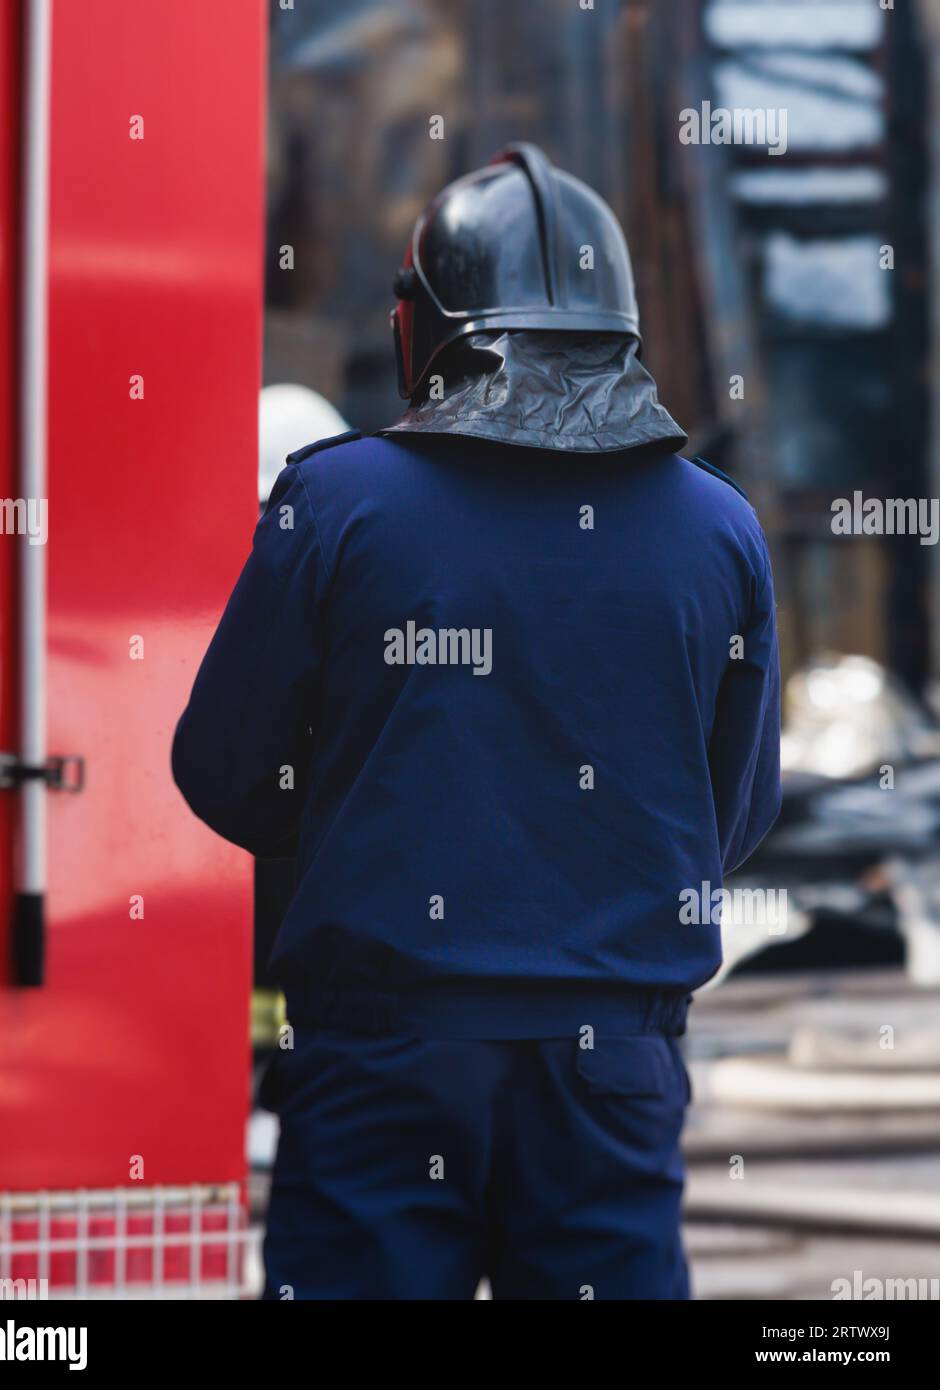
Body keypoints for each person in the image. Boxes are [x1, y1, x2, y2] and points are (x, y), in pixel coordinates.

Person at [172, 143, 781, 1301]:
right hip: (613, 1065)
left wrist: (373, 826)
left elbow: (224, 768)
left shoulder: (338, 502)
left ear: (422, 332)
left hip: (383, 1061)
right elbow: (732, 812)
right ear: (618, 326)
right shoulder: (719, 530)